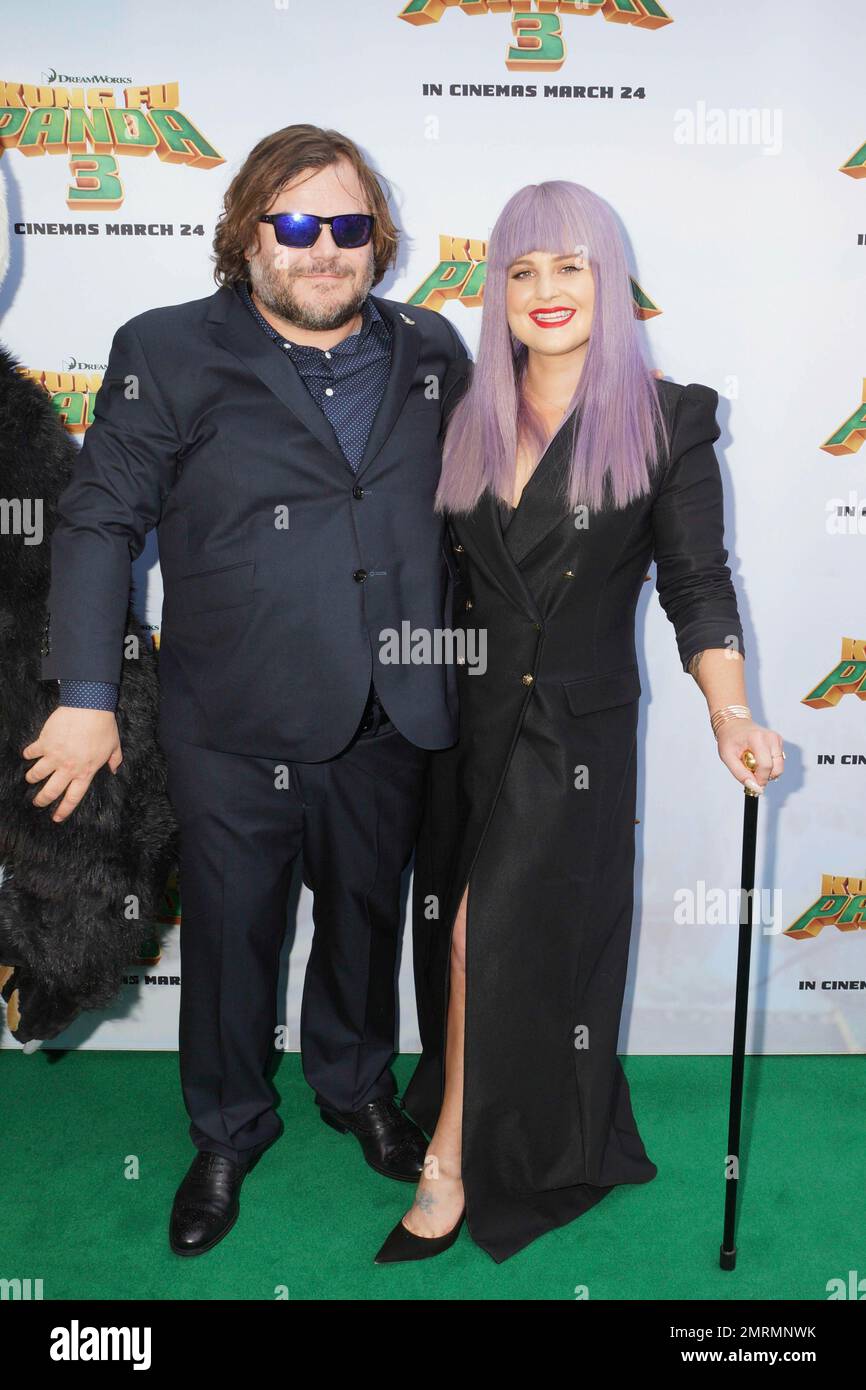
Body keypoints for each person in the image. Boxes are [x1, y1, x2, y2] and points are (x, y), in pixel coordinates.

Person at [30, 124, 471, 1256]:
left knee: (365, 920)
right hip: (231, 722)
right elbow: (96, 521)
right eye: (294, 224)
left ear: (377, 241)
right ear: (247, 235)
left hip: (392, 710)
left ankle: (353, 1083)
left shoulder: (432, 347)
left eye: (348, 226)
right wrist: (86, 689)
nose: (323, 248)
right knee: (231, 936)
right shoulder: (168, 349)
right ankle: (227, 1128)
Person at [375, 180, 785, 1265]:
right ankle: (522, 1118)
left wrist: (728, 712)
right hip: (465, 727)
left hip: (574, 740)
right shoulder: (458, 411)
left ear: (607, 281)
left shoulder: (667, 420)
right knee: (468, 939)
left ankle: (451, 1163)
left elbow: (696, 585)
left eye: (568, 266)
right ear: (495, 292)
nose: (544, 290)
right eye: (519, 270)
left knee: (478, 934)